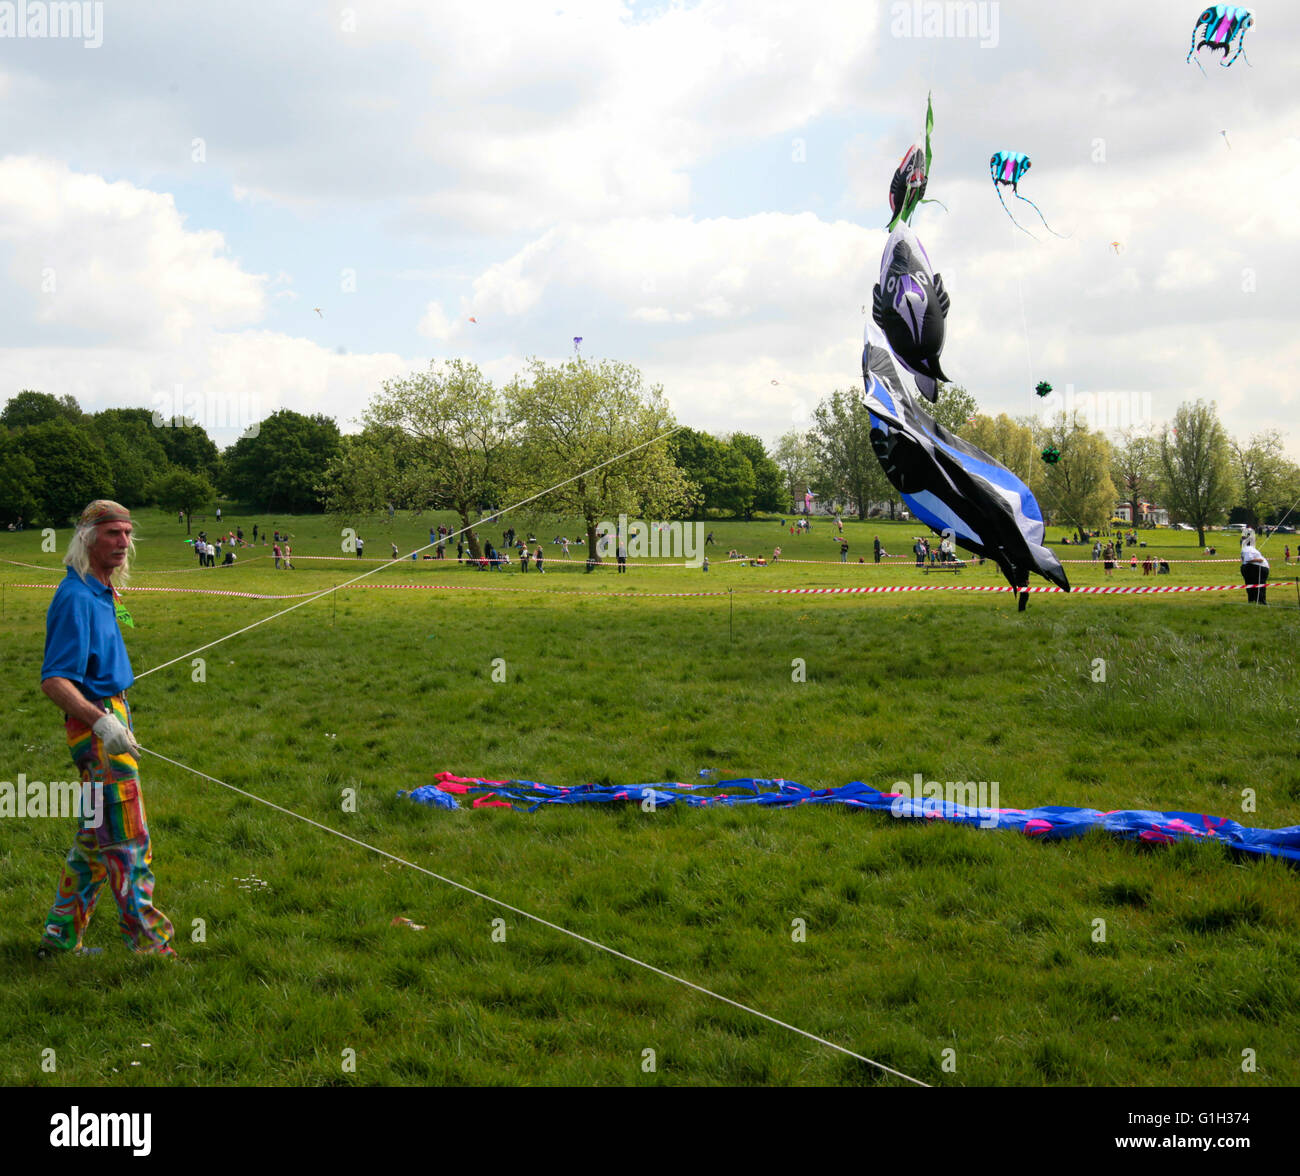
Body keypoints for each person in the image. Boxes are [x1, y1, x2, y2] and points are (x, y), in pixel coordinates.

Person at [37, 501, 176, 958]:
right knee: (128, 837)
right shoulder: (75, 596)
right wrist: (100, 722)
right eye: (113, 533)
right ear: (87, 537)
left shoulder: (102, 588)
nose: (123, 542)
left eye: (128, 533)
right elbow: (54, 680)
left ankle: (59, 939)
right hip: (95, 723)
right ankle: (150, 947)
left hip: (113, 711)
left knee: (95, 840)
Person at [1240, 540, 1269, 604]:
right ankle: (1259, 602)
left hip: (1255, 568)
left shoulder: (1246, 549)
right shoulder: (1248, 549)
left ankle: (1254, 601)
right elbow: (1248, 559)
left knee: (1253, 586)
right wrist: (1259, 560)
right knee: (1258, 586)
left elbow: (1246, 559)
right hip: (1258, 568)